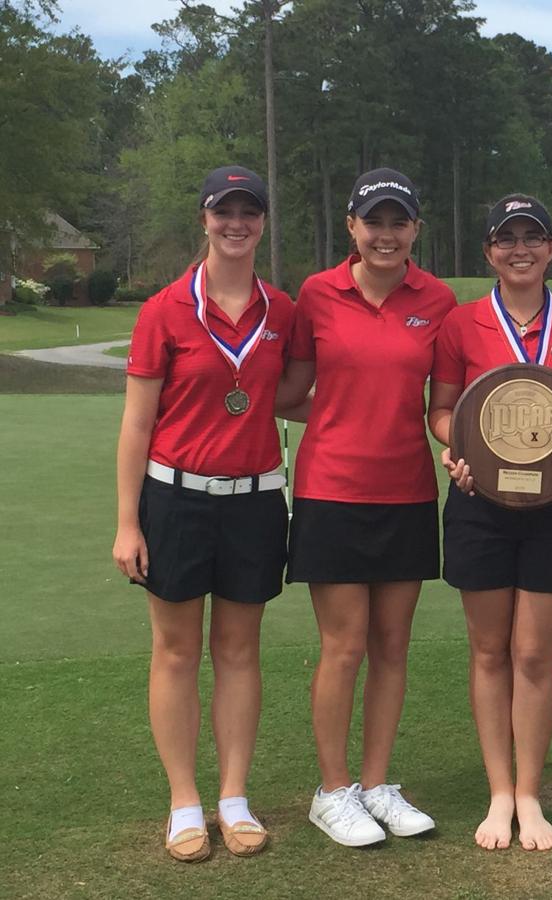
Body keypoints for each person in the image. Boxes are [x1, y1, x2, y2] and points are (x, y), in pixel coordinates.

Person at [112, 166, 292, 861]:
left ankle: (234, 798)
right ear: (204, 218)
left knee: (240, 650)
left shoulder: (283, 311)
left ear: (263, 223)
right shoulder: (164, 309)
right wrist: (128, 521)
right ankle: (184, 801)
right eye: (225, 212)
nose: (236, 223)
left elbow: (299, 392)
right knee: (178, 650)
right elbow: (136, 423)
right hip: (176, 498)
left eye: (249, 212)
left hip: (254, 499)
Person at [276, 168, 456, 847]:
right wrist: (341, 413)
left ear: (415, 229)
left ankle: (378, 785)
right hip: (332, 492)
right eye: (373, 221)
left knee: (391, 647)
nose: (386, 233)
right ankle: (333, 790)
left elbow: (447, 401)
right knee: (343, 646)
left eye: (398, 221)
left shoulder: (436, 299)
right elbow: (286, 390)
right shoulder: (318, 294)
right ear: (352, 227)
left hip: (408, 490)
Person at [428, 195, 552, 851]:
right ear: (488, 251)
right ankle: (498, 792)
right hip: (479, 504)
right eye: (506, 238)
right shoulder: (462, 324)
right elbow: (443, 410)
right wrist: (461, 452)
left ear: (551, 248)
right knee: (488, 651)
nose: (520, 249)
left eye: (532, 237)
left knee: (533, 654)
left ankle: (530, 794)